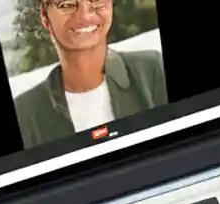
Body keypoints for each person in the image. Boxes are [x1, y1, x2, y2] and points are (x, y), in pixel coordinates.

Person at [15, 0, 168, 148]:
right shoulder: (24, 113)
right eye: (67, 4)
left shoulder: (151, 71)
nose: (85, 16)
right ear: (45, 16)